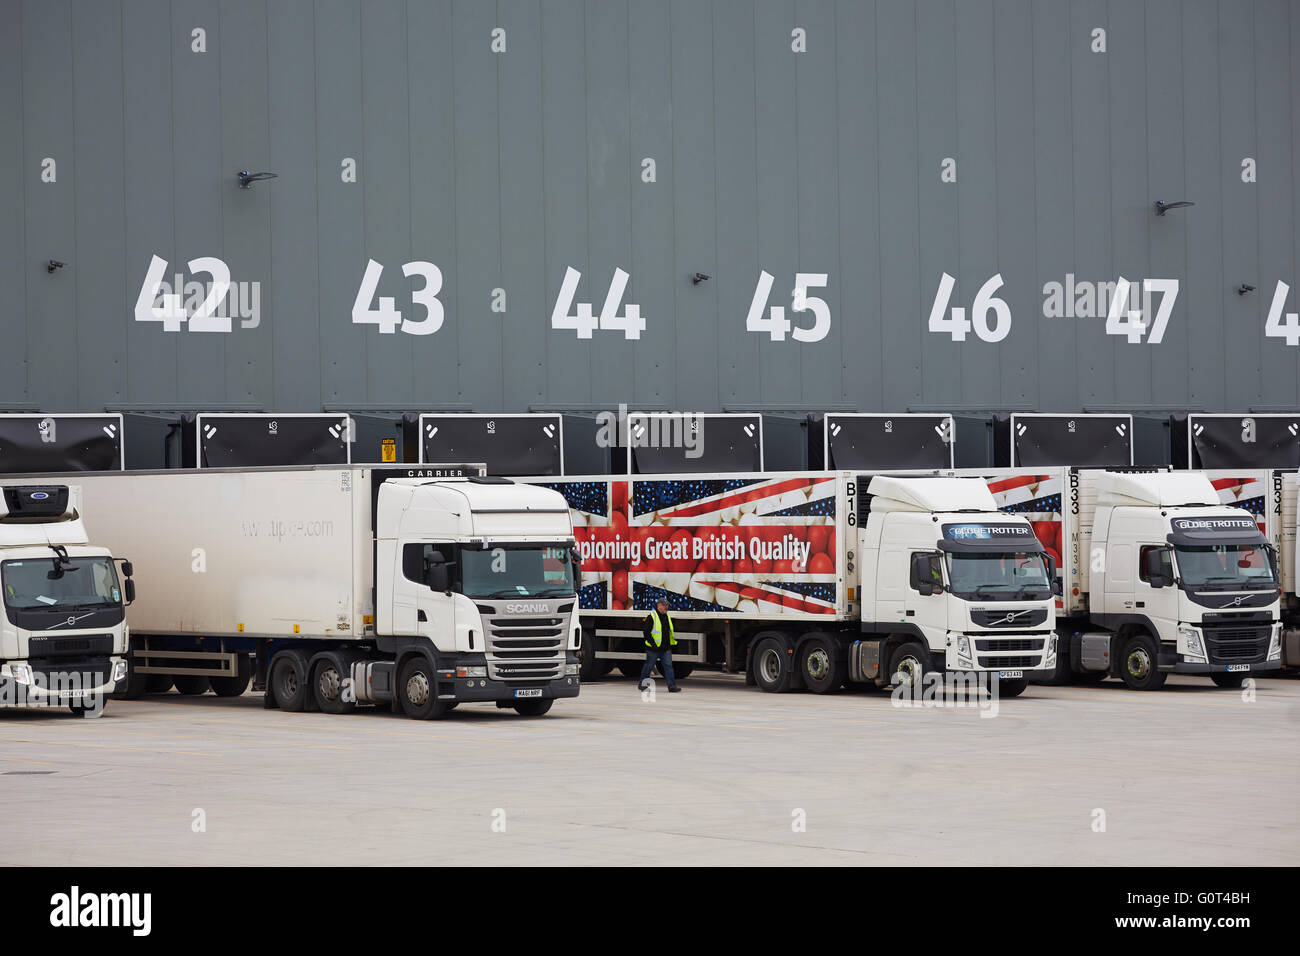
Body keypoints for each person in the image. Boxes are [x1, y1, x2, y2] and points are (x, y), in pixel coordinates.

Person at [640, 599, 681, 693]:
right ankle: (642, 685)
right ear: (659, 605)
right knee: (649, 666)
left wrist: (671, 645)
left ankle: (672, 686)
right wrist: (653, 644)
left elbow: (668, 632)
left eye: (667, 605)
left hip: (665, 648)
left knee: (669, 667)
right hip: (653, 648)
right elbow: (646, 632)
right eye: (664, 605)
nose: (666, 607)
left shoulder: (667, 617)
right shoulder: (652, 617)